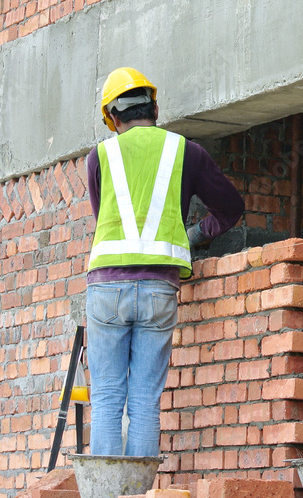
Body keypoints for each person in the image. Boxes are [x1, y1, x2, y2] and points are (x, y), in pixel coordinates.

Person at [85, 67, 244, 456]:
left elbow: (101, 216)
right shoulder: (186, 151)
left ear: (113, 117)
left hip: (107, 287)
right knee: (143, 402)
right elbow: (231, 208)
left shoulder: (99, 155)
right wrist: (196, 235)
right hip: (159, 288)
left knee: (106, 398)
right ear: (154, 107)